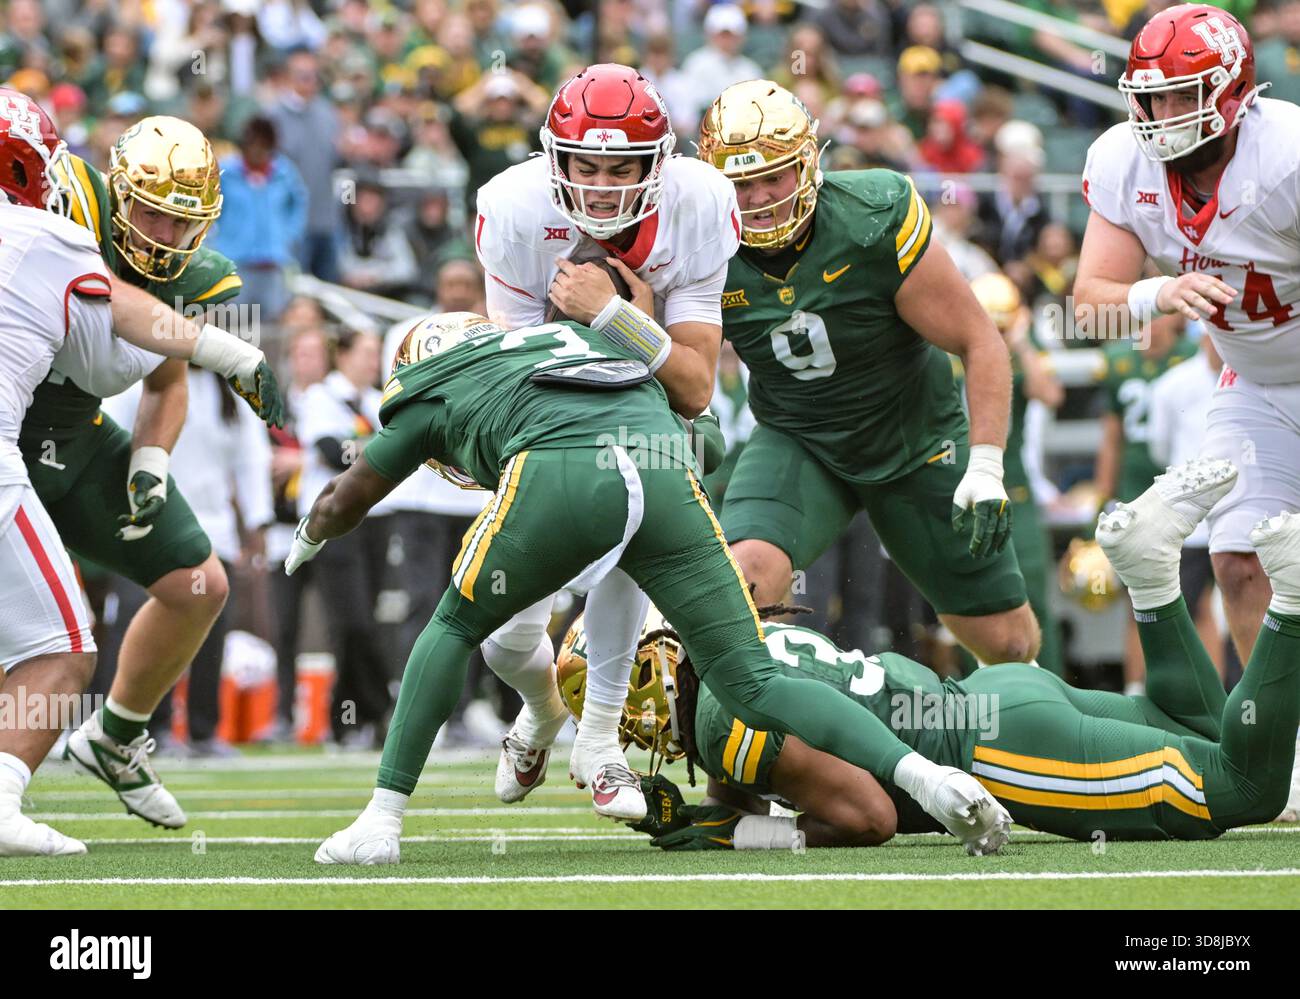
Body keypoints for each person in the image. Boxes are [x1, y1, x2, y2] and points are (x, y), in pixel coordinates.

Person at [289, 311, 1012, 865]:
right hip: (663, 465)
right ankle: (927, 778)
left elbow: (347, 497)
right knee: (754, 677)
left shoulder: (437, 383)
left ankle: (381, 819)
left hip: (563, 471)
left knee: (451, 625)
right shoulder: (568, 338)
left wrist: (308, 535)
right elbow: (712, 443)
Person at [576, 459, 1299, 850]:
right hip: (1000, 695)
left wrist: (739, 835)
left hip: (999, 752)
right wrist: (718, 814)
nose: (629, 723)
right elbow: (769, 756)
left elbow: (866, 816)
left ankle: (1291, 597)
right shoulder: (747, 645)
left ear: (652, 665)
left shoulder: (718, 721)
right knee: (1201, 728)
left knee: (1245, 790)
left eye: (618, 700)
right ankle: (1148, 575)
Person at [0, 91, 283, 853]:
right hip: (11, 438)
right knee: (50, 642)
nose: (165, 234)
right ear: (115, 190)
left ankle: (116, 735)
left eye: (182, 220)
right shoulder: (67, 202)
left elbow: (164, 375)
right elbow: (113, 299)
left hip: (80, 439)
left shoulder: (205, 278)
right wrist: (228, 349)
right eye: (152, 213)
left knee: (201, 583)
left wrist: (152, 459)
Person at [471, 63, 739, 819]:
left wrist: (608, 314)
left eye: (621, 167)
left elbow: (692, 387)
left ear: (659, 164)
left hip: (651, 414)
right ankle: (541, 706)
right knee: (501, 637)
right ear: (553, 158)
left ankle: (597, 740)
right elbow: (513, 376)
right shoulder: (513, 206)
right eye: (584, 165)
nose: (600, 186)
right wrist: (618, 322)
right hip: (548, 415)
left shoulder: (700, 202)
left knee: (638, 511)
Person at [698, 80, 1038, 668]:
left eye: (772, 177)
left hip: (916, 443)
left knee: (1008, 645)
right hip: (801, 441)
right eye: (740, 184)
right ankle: (758, 744)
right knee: (742, 585)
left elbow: (979, 340)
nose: (757, 198)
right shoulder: (701, 244)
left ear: (807, 165)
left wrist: (985, 463)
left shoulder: (873, 216)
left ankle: (1021, 734)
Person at [1073, 3, 1300, 819]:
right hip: (1254, 380)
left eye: (1186, 96)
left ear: (1235, 91)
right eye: (1155, 98)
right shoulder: (1122, 163)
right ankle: (1283, 744)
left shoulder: (1287, 155)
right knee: (1239, 558)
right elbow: (1090, 304)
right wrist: (1157, 291)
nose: (1167, 117)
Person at [296, 330, 393, 748]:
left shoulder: (378, 400)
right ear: (344, 354)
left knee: (368, 621)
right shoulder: (321, 397)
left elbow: (356, 450)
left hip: (378, 519)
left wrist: (363, 449)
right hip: (335, 519)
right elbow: (331, 451)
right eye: (368, 352)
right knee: (352, 623)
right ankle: (376, 709)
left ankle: (351, 721)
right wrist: (379, 450)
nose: (374, 361)